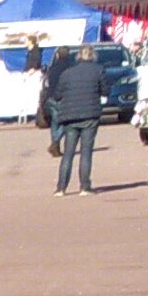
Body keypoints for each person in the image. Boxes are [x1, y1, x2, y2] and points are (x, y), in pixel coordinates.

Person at [41, 40, 106, 193]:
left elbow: (57, 94)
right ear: (92, 56)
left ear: (78, 56)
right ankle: (85, 186)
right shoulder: (98, 70)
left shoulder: (67, 73)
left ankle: (60, 188)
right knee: (86, 152)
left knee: (68, 153)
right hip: (90, 115)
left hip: (70, 116)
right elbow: (105, 91)